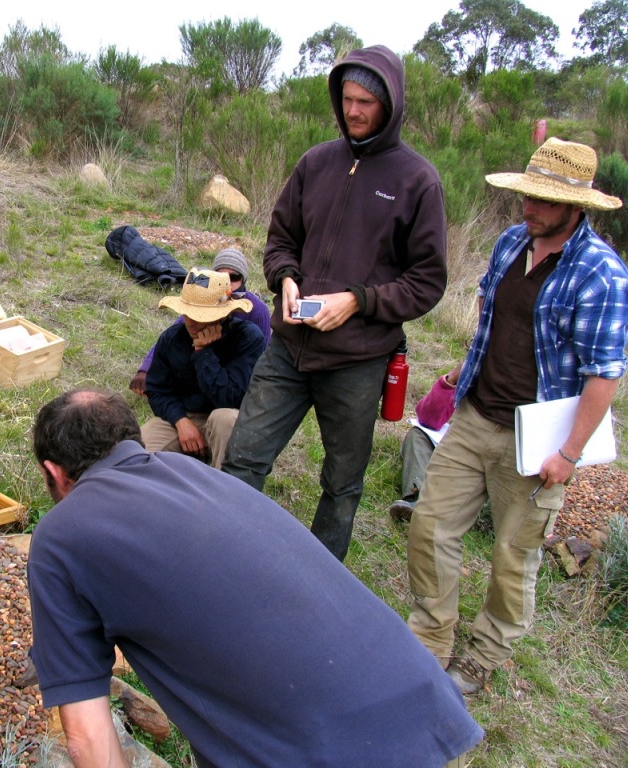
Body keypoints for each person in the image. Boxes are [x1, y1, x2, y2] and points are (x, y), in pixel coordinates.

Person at [27, 388, 483, 768]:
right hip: (419, 702)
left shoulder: (60, 535)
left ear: (54, 473)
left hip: (320, 751)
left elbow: (88, 739)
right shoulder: (193, 473)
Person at [406, 138, 628, 695]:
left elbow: (603, 376)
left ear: (575, 206)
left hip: (536, 440)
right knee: (430, 526)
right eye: (525, 195)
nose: (527, 207)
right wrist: (462, 372)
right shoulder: (511, 242)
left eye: (542, 200)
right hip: (476, 415)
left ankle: (484, 655)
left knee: (514, 554)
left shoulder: (602, 275)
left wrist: (569, 455)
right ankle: (431, 637)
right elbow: (491, 319)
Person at [221, 45, 448, 561]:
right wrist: (285, 278)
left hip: (356, 362)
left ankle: (320, 579)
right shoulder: (317, 162)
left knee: (342, 483)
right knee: (243, 457)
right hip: (288, 347)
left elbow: (427, 281)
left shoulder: (418, 181)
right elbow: (280, 240)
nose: (353, 111)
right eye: (346, 99)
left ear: (391, 104)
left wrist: (358, 301)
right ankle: (228, 558)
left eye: (366, 102)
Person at [140, 267, 265, 469]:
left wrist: (203, 353)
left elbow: (230, 399)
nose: (193, 322)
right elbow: (157, 390)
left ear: (222, 315)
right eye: (188, 314)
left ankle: (224, 482)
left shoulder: (248, 338)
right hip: (186, 415)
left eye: (202, 316)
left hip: (232, 417)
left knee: (224, 419)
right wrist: (180, 421)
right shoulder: (172, 338)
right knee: (139, 450)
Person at [129, 247, 271, 396]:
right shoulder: (200, 305)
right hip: (202, 368)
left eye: (234, 277)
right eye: (221, 277)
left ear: (243, 279)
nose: (228, 283)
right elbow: (171, 337)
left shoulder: (258, 311)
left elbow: (262, 357)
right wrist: (145, 370)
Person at [388, 371, 458, 521]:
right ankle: (417, 498)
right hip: (455, 446)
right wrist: (450, 381)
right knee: (417, 435)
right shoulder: (476, 368)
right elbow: (427, 419)